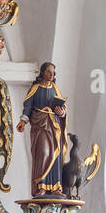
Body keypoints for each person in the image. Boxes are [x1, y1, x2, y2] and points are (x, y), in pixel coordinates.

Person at [17, 63, 68, 195]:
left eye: (53, 73)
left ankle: (56, 187)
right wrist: (23, 121)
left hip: (54, 125)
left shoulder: (55, 89)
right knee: (44, 153)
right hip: (40, 125)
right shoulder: (35, 88)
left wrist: (61, 112)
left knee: (55, 154)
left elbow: (63, 109)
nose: (51, 75)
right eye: (49, 72)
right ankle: (42, 186)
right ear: (42, 73)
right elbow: (28, 106)